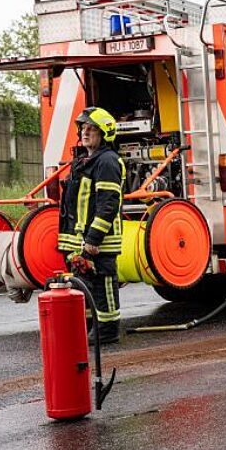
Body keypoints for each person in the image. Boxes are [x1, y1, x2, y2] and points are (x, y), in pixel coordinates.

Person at [58, 107, 126, 344]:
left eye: (91, 129)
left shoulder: (107, 161)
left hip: (99, 241)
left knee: (103, 283)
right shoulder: (83, 162)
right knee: (84, 284)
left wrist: (93, 240)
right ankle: (91, 328)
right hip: (80, 239)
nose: (85, 133)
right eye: (83, 128)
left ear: (104, 133)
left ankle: (107, 331)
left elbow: (107, 204)